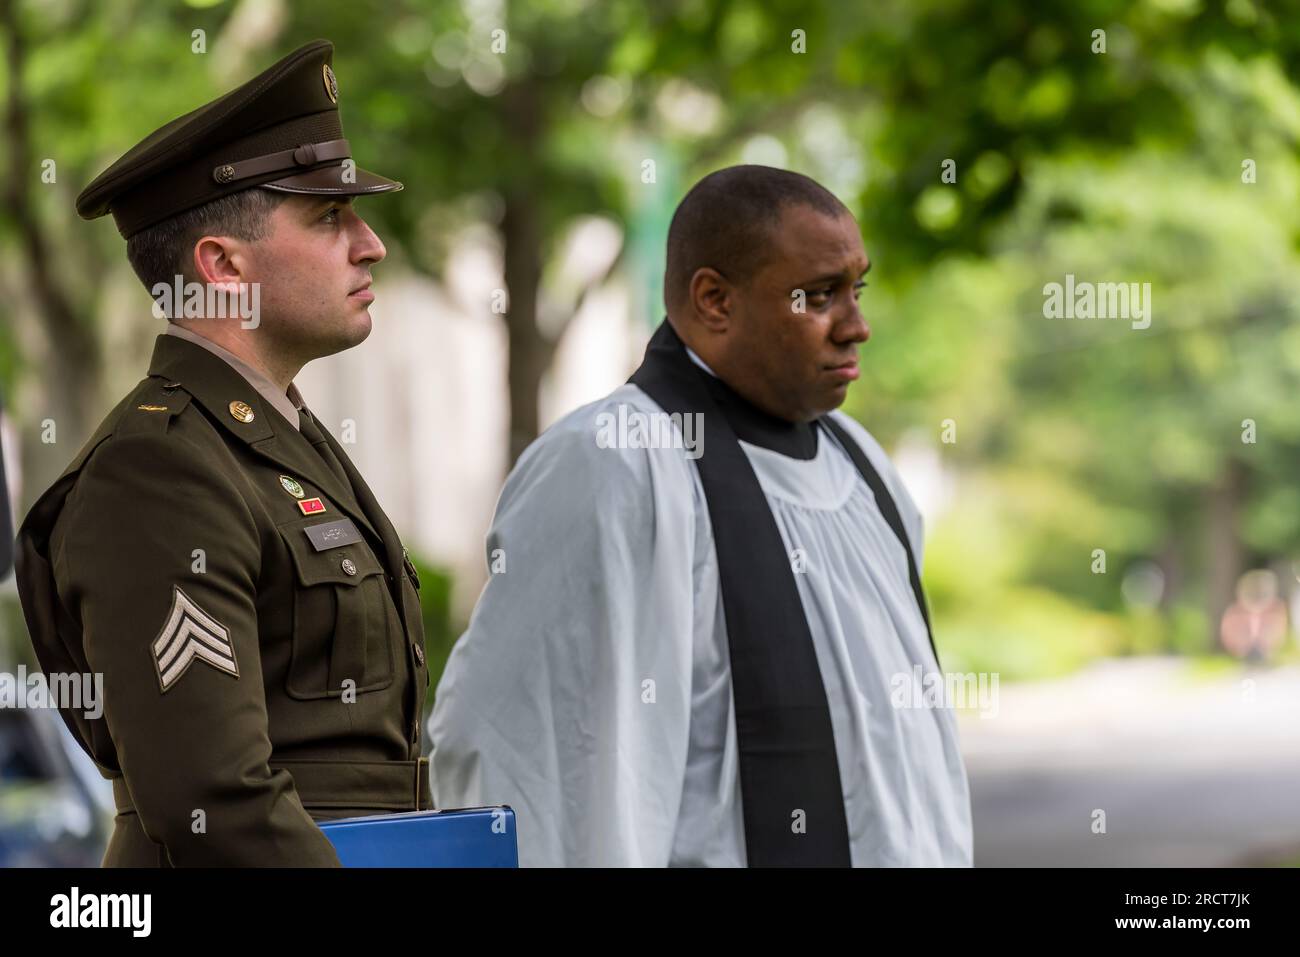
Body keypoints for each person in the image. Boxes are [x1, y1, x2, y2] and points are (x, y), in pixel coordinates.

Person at [430, 165, 973, 867]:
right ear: (715, 300)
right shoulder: (616, 465)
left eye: (857, 290)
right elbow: (528, 750)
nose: (857, 327)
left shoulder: (864, 469)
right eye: (820, 296)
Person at [14, 39, 430, 866]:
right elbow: (213, 799)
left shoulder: (279, 438)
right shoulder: (158, 469)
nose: (370, 242)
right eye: (328, 216)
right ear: (222, 267)